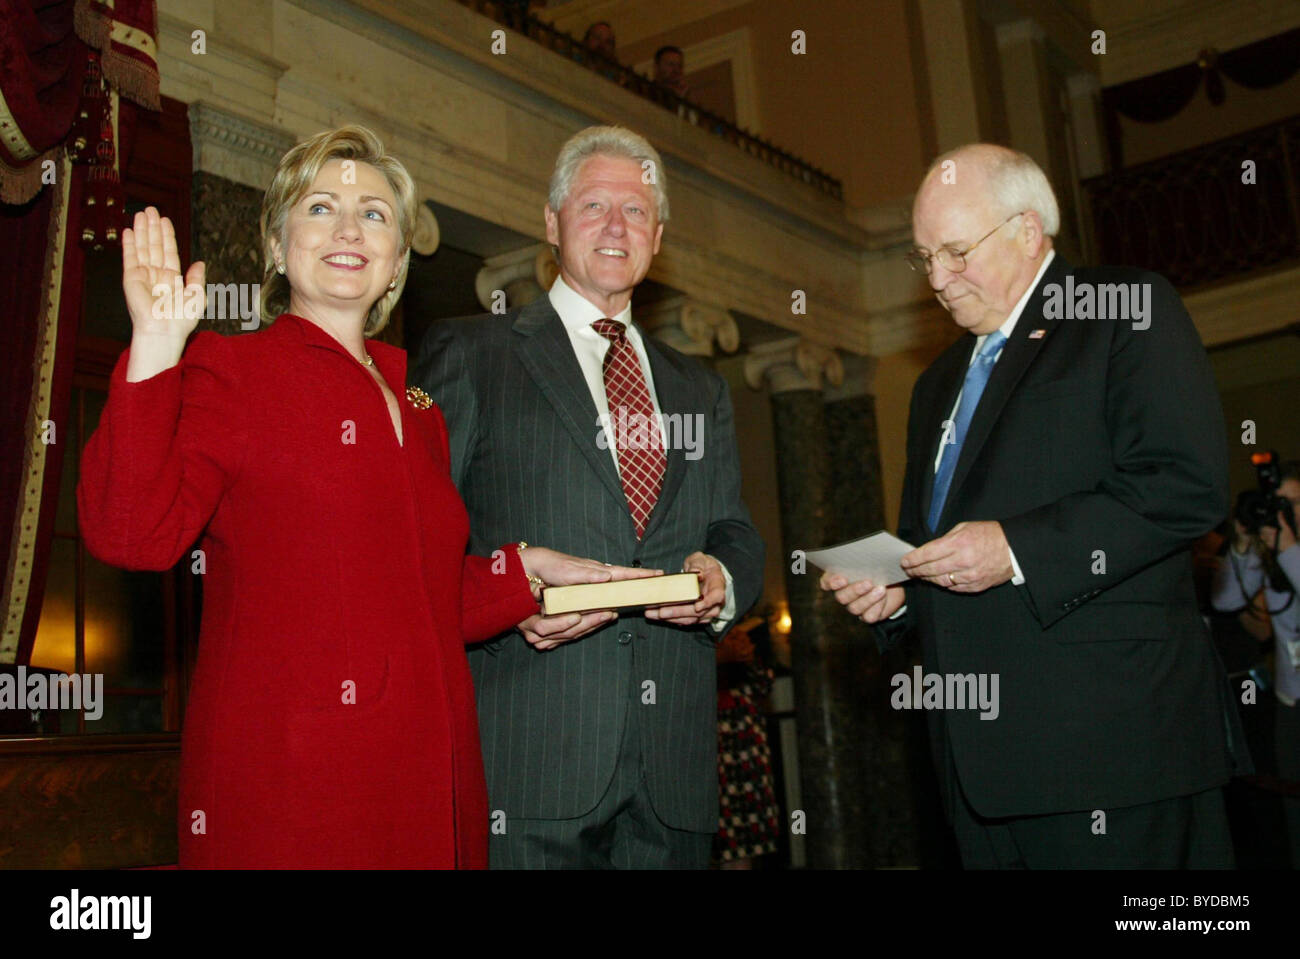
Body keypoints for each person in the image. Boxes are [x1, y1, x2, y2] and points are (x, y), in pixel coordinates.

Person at [76, 125, 650, 869]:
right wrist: (155, 345)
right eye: (320, 208)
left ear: (397, 264)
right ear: (278, 248)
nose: (349, 227)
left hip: (434, 788)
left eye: (374, 214)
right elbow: (131, 533)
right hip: (302, 797)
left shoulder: (418, 408)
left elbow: (419, 597)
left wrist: (526, 571)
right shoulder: (233, 371)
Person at [822, 143, 1248, 868]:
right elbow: (934, 543)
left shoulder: (1124, 311)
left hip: (1113, 752)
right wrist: (897, 594)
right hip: (978, 770)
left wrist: (1016, 548)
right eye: (923, 258)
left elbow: (1186, 483)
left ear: (1028, 229)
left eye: (955, 251)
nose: (937, 280)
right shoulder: (936, 384)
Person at [412, 125, 765, 868]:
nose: (615, 226)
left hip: (673, 778)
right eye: (593, 204)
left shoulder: (698, 386)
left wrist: (722, 579)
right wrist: (509, 591)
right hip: (527, 765)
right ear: (551, 222)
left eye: (635, 212)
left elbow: (733, 527)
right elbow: (415, 540)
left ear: (658, 236)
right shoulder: (473, 355)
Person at [1211, 462, 1300, 866]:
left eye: (1292, 503)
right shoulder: (1276, 551)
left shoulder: (1288, 551)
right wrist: (1243, 545)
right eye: (1276, 504)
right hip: (1288, 703)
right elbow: (1226, 600)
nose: (1284, 514)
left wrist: (1287, 548)